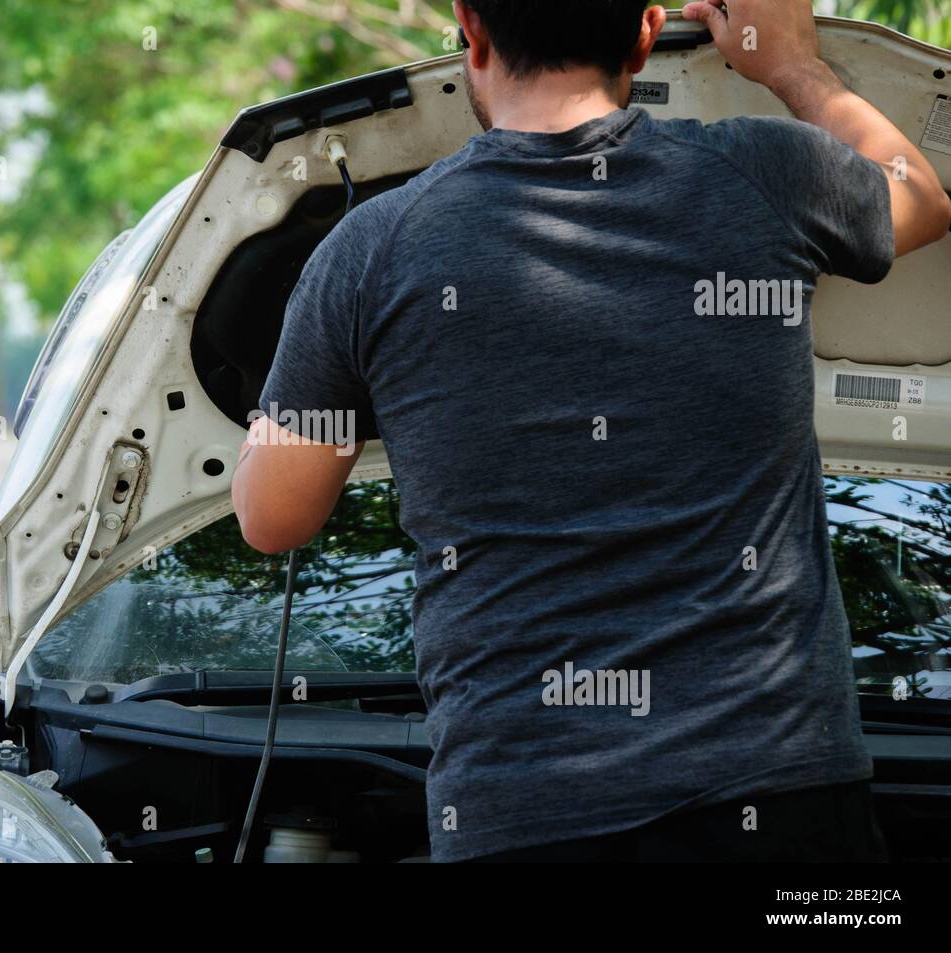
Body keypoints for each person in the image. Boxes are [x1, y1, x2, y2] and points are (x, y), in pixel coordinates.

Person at [230, 0, 951, 862]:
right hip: (782, 801)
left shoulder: (370, 252)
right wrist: (794, 67)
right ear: (646, 31)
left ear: (472, 27)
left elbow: (271, 519)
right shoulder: (765, 176)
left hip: (521, 811)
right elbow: (922, 198)